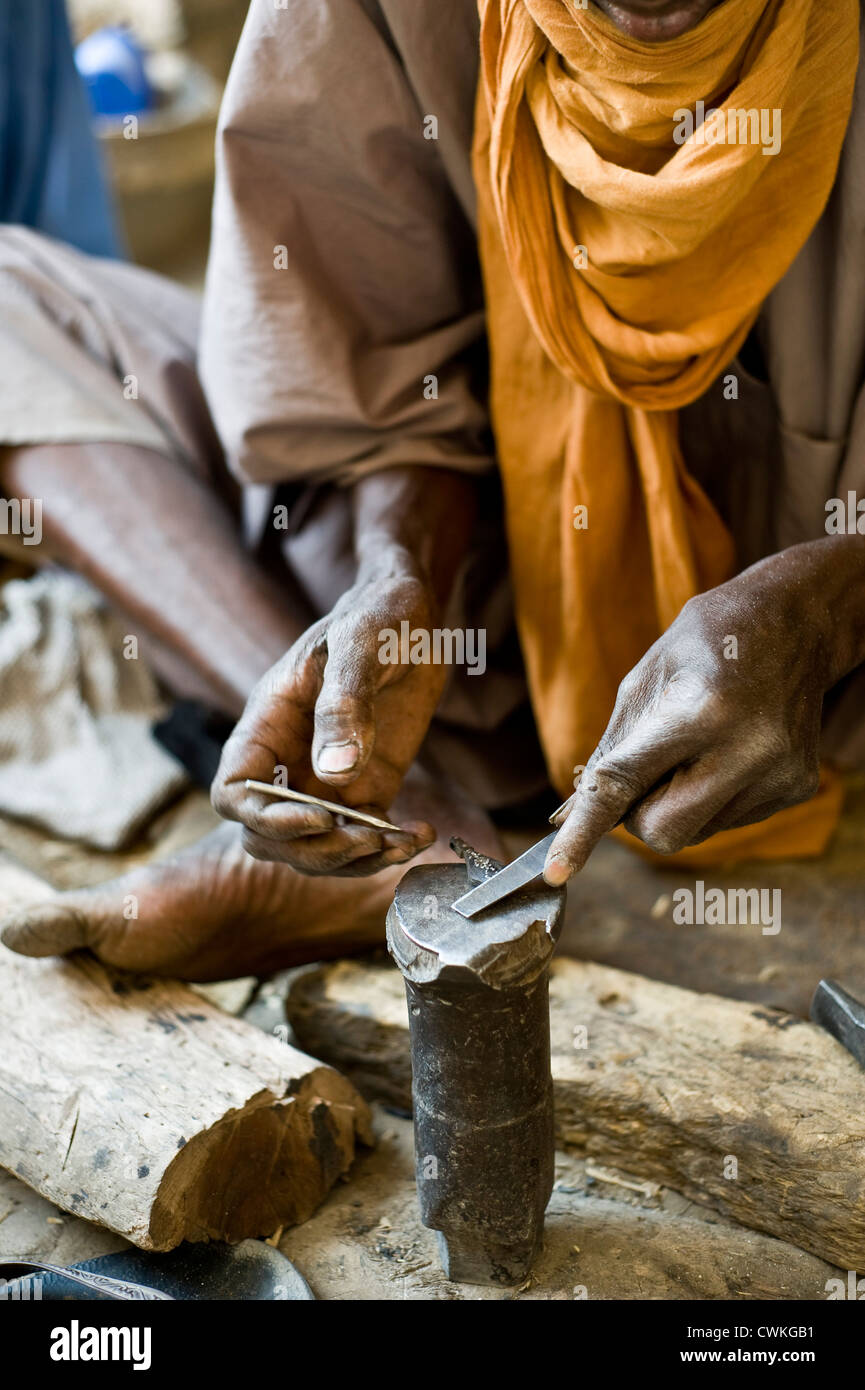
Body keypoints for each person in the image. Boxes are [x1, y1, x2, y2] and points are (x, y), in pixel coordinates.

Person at [1, 0, 863, 981]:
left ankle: (388, 827)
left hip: (826, 660)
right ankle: (376, 804)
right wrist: (399, 576)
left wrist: (828, 608)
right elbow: (381, 367)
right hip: (483, 637)